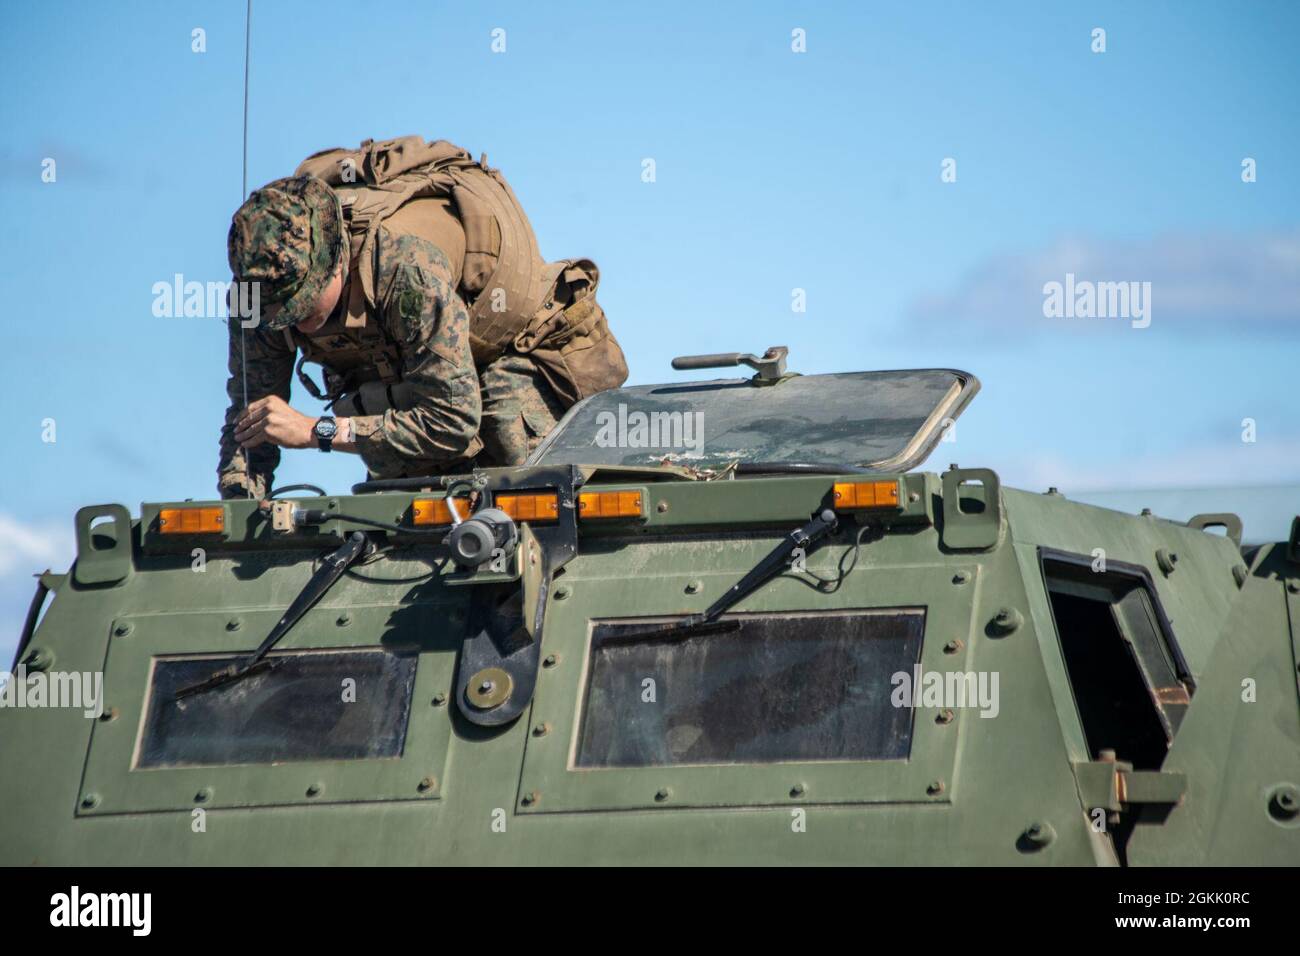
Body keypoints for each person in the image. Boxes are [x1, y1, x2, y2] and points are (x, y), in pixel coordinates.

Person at [217, 136, 626, 499]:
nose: (294, 321)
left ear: (336, 262)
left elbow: (452, 422)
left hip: (509, 349)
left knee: (522, 494)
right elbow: (250, 412)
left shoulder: (404, 269)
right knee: (403, 513)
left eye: (303, 304)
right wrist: (241, 495)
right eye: (281, 314)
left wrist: (316, 432)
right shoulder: (260, 290)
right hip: (418, 372)